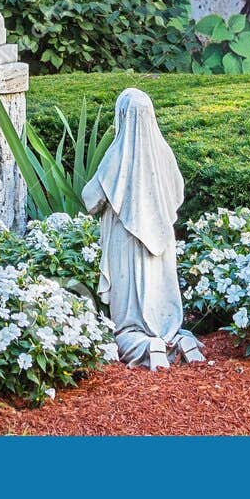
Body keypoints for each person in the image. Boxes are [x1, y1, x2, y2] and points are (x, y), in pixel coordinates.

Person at [82, 87, 205, 368]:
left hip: (125, 244)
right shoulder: (165, 153)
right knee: (161, 303)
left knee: (127, 325)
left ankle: (147, 347)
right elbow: (177, 195)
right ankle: (176, 339)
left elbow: (90, 200)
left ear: (122, 117)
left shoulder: (116, 157)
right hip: (162, 243)